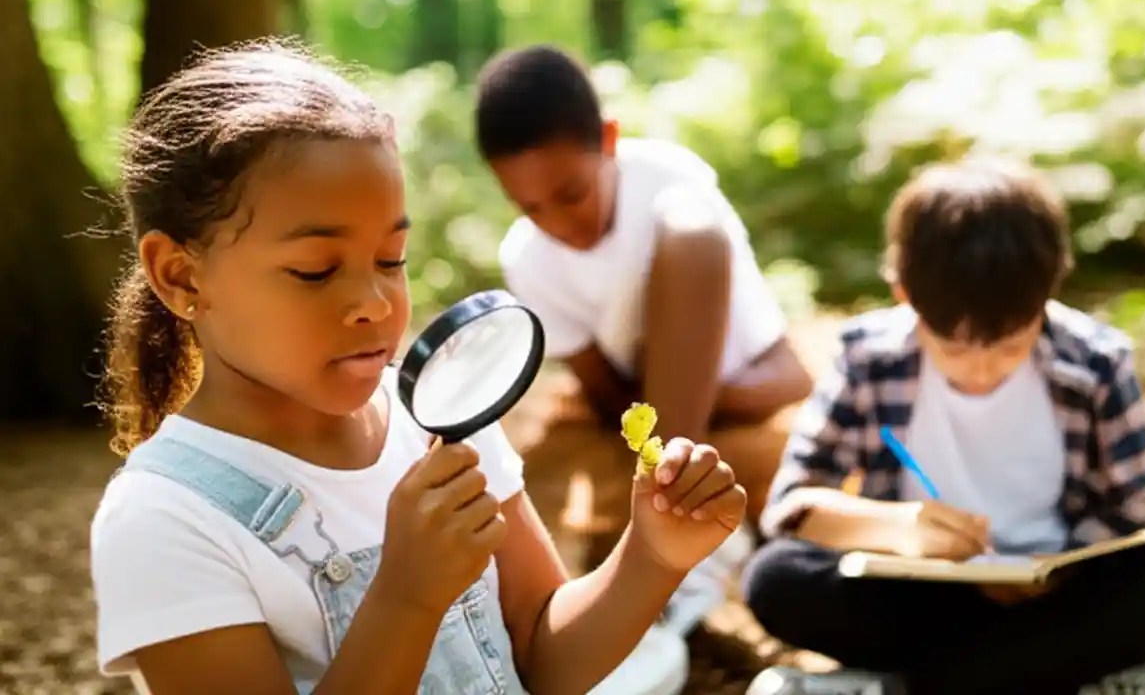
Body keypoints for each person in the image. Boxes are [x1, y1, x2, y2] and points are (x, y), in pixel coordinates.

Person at [89, 39, 747, 695]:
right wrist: (405, 600)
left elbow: (545, 657)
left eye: (391, 259)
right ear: (180, 275)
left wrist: (651, 555)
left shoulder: (437, 424)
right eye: (315, 271)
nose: (374, 304)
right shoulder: (165, 519)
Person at [740, 159, 1145, 695]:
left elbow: (1133, 511)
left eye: (1009, 346)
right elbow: (794, 505)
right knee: (776, 577)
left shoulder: (1095, 363)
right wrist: (902, 529)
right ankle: (1086, 684)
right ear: (904, 293)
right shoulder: (869, 360)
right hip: (918, 598)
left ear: (1046, 295)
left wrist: (1054, 570)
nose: (980, 368)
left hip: (1054, 598)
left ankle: (890, 688)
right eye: (953, 346)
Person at [473, 45, 813, 637]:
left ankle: (681, 528)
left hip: (739, 385)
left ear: (608, 140)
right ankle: (668, 530)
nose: (558, 223)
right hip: (654, 411)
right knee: (544, 465)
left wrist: (671, 408)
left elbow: (788, 377)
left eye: (571, 194)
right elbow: (608, 397)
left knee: (690, 233)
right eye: (529, 208)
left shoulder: (671, 183)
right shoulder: (527, 257)